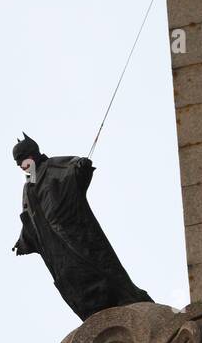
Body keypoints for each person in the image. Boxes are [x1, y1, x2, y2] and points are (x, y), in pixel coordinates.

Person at [11, 135, 152, 320]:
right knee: (73, 280)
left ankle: (131, 301)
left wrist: (81, 168)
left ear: (33, 154)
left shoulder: (53, 166)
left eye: (23, 159)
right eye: (18, 163)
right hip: (55, 249)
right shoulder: (28, 188)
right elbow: (30, 219)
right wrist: (23, 240)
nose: (22, 165)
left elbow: (73, 167)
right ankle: (96, 315)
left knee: (100, 268)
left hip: (75, 233)